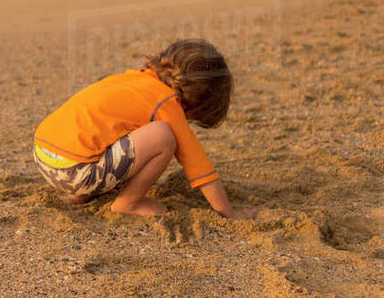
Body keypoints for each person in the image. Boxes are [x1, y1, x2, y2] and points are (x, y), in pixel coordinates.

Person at [32, 39, 257, 218]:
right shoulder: (166, 102)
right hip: (76, 171)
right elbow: (199, 168)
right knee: (163, 137)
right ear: (199, 100)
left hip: (44, 154)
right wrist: (230, 213)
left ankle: (82, 195)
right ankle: (128, 203)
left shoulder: (133, 80)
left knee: (117, 133)